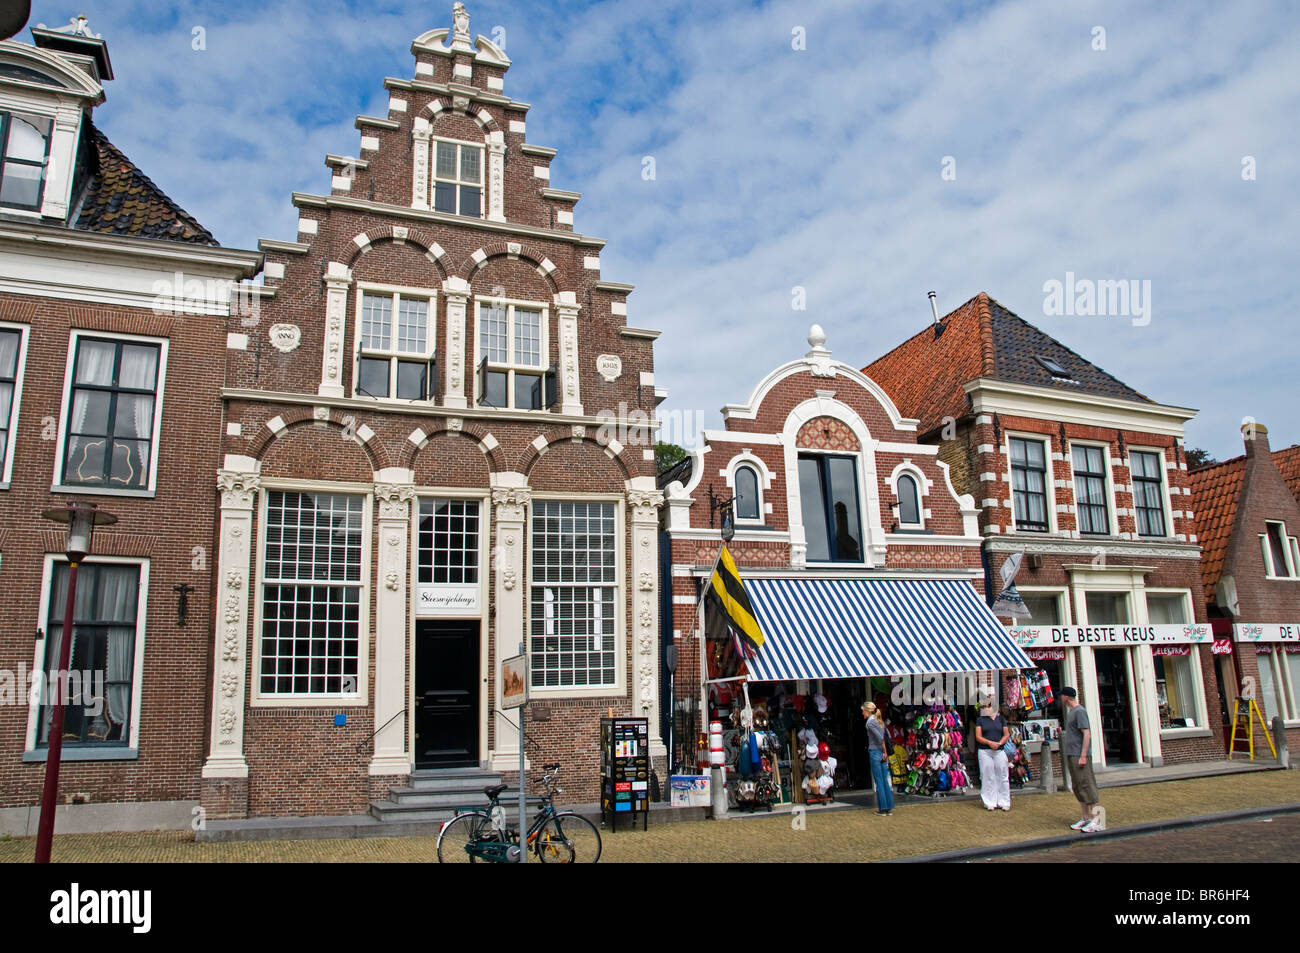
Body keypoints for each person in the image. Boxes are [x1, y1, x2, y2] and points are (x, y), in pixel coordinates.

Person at [1061, 687, 1102, 832]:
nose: (1061, 698)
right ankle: (1085, 817)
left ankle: (1097, 820)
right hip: (1072, 754)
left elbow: (1087, 734)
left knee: (1088, 785)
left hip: (1079, 755)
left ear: (1066, 697)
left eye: (1062, 696)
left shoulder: (1080, 711)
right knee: (1078, 786)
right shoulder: (1072, 712)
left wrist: (1083, 755)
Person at [975, 696, 1011, 811]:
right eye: (985, 707)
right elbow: (978, 736)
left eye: (989, 706)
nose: (986, 709)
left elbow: (1006, 734)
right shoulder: (980, 720)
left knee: (1003, 774)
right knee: (987, 775)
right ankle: (989, 801)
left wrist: (999, 743)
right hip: (985, 751)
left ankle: (1004, 801)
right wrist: (989, 743)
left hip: (999, 750)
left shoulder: (1001, 719)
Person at [862, 701, 894, 815]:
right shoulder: (879, 721)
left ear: (868, 711)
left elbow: (880, 738)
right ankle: (889, 806)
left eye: (863, 711)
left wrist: (884, 752)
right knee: (884, 779)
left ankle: (883, 808)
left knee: (879, 780)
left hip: (876, 752)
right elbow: (886, 735)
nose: (862, 713)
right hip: (881, 752)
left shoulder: (870, 723)